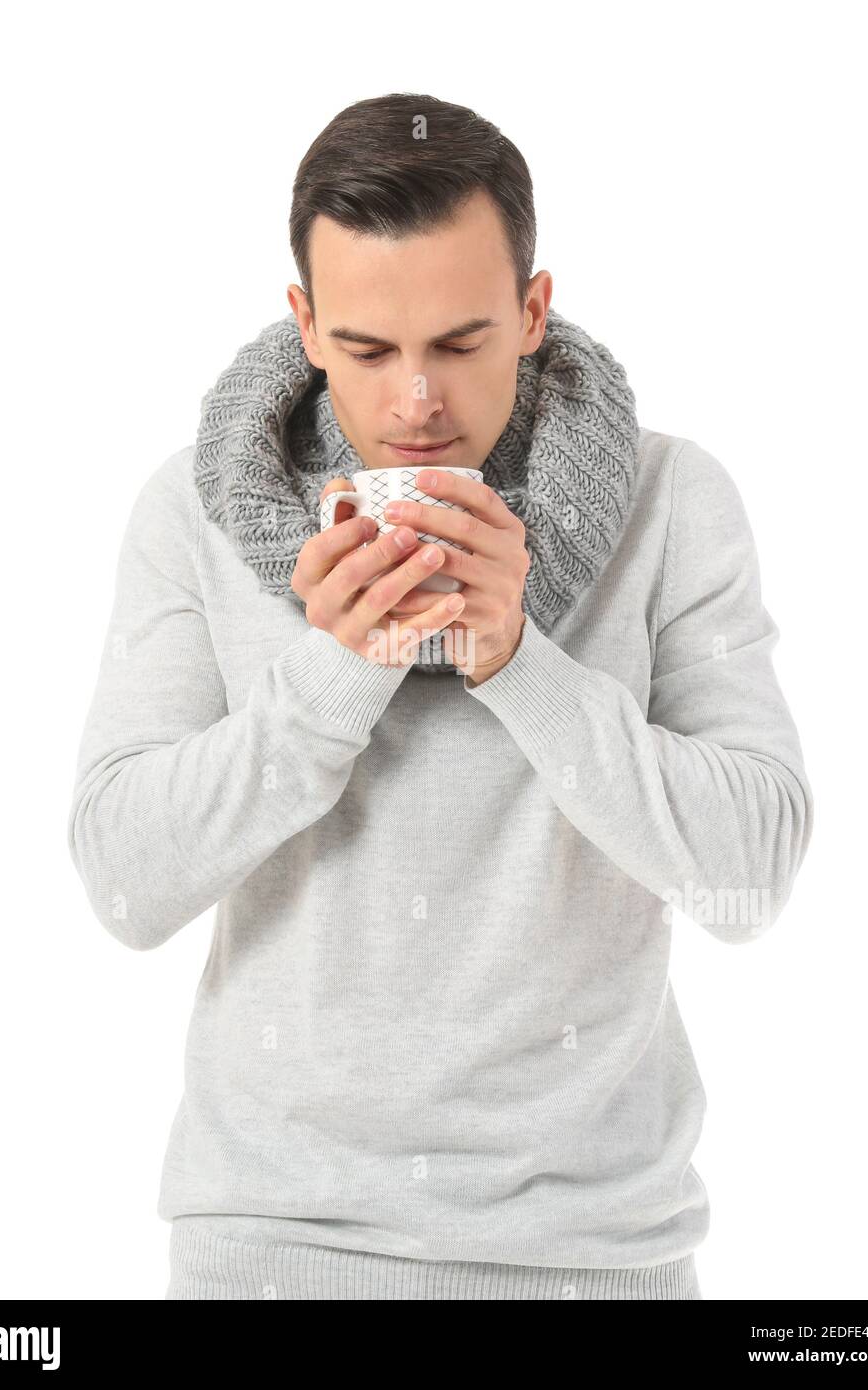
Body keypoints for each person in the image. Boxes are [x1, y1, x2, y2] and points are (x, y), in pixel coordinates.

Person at [66, 91, 814, 1301]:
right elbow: (123, 879)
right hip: (271, 1241)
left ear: (532, 309)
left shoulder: (674, 500)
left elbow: (754, 868)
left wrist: (516, 659)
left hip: (592, 1253)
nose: (416, 400)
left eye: (461, 342)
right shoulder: (193, 511)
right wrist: (339, 667)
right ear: (305, 324)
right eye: (367, 349)